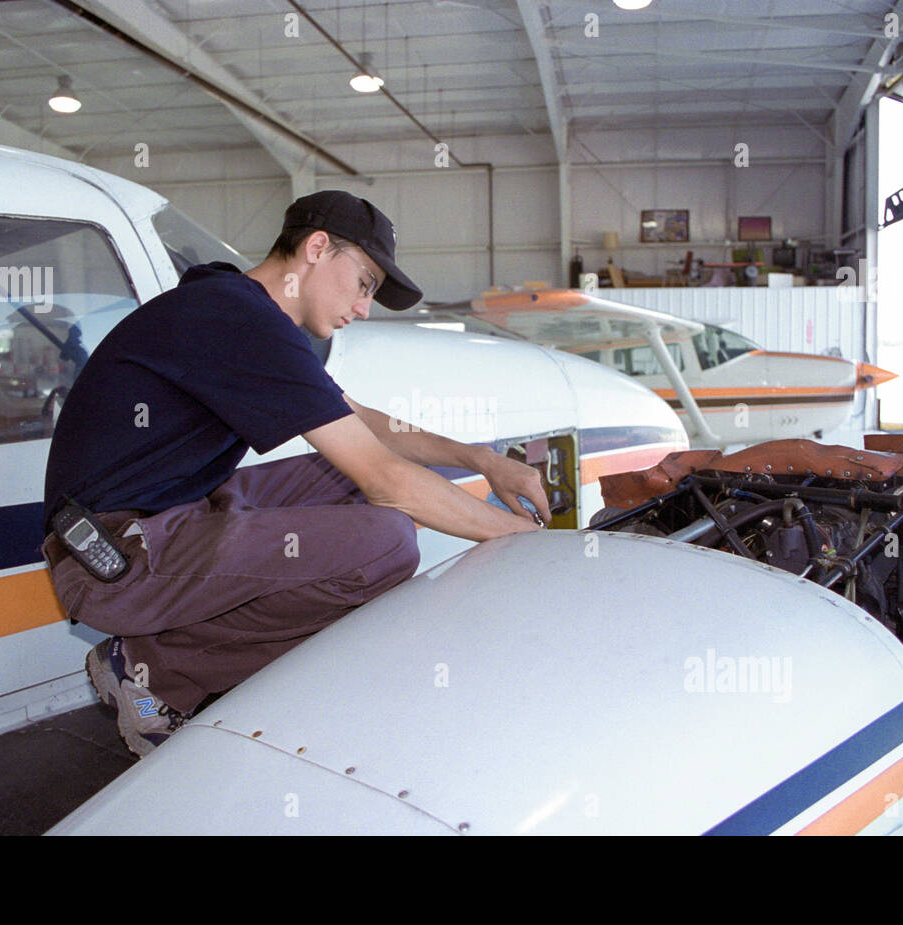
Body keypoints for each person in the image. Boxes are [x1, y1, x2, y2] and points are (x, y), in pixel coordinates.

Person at [41, 190, 549, 756]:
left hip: (166, 519)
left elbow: (359, 419)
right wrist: (531, 542)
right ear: (316, 247)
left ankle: (164, 654)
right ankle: (151, 670)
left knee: (362, 482)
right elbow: (386, 479)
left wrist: (479, 458)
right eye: (364, 284)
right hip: (108, 557)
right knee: (386, 543)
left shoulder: (239, 306)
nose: (363, 308)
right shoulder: (236, 317)